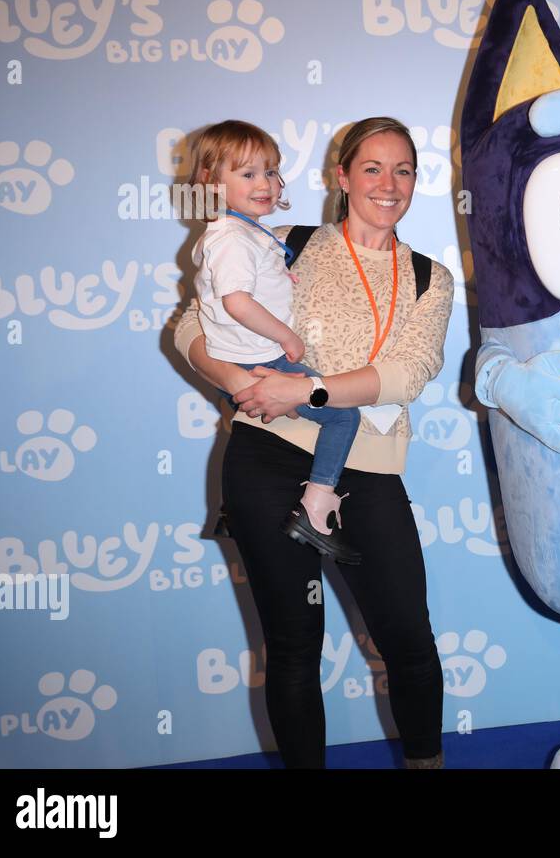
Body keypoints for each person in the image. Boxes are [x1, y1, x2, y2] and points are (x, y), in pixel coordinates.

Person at [172, 117, 454, 768]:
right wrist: (242, 384)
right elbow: (195, 321)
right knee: (294, 644)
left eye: (404, 169)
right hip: (264, 457)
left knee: (408, 640)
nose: (389, 184)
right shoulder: (283, 244)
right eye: (373, 168)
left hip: (367, 465)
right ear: (342, 177)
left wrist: (308, 392)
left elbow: (409, 374)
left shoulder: (426, 277)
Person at [186, 119, 363, 563]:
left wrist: (280, 278)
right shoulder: (231, 238)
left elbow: (241, 288)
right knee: (343, 418)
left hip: (244, 362)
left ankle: (237, 509)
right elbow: (237, 303)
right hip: (262, 362)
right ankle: (316, 510)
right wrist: (288, 336)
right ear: (211, 182)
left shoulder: (245, 231)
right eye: (247, 174)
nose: (264, 184)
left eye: (270, 171)